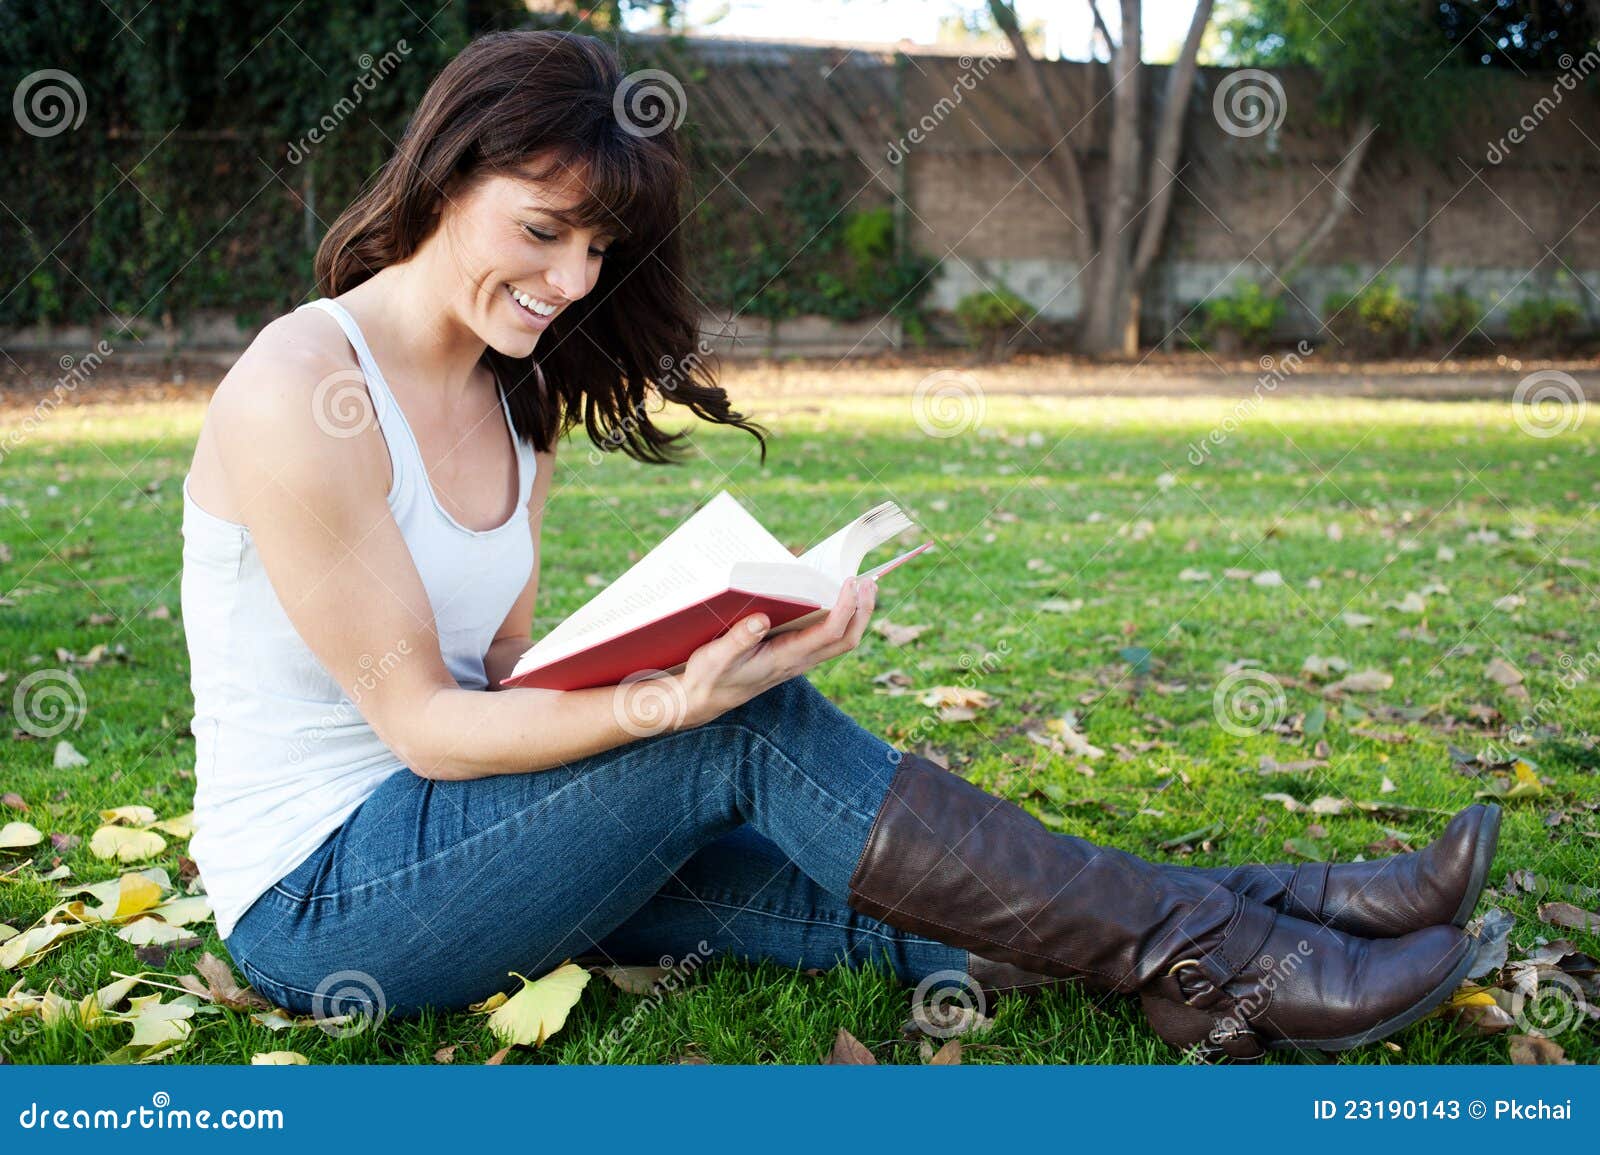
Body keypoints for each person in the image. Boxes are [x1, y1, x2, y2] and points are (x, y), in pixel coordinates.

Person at [180, 29, 1499, 1062]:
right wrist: (669, 703)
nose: (577, 280)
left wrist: (702, 638)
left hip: (464, 841)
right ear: (445, 174)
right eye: (543, 230)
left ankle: (1289, 915)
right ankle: (1244, 955)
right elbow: (424, 725)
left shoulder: (516, 391)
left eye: (600, 248)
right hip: (325, 903)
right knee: (739, 731)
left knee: (852, 894)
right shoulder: (304, 385)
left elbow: (508, 670)